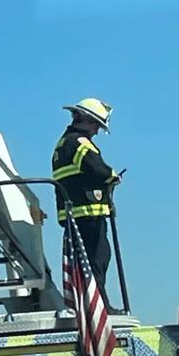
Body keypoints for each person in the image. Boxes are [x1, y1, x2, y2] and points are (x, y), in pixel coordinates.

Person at [52, 98, 121, 311]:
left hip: (76, 215)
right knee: (97, 261)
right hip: (87, 214)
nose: (97, 131)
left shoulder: (64, 143)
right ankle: (101, 308)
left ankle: (96, 305)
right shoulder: (79, 143)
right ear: (84, 119)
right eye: (96, 125)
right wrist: (113, 176)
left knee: (93, 262)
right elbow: (97, 169)